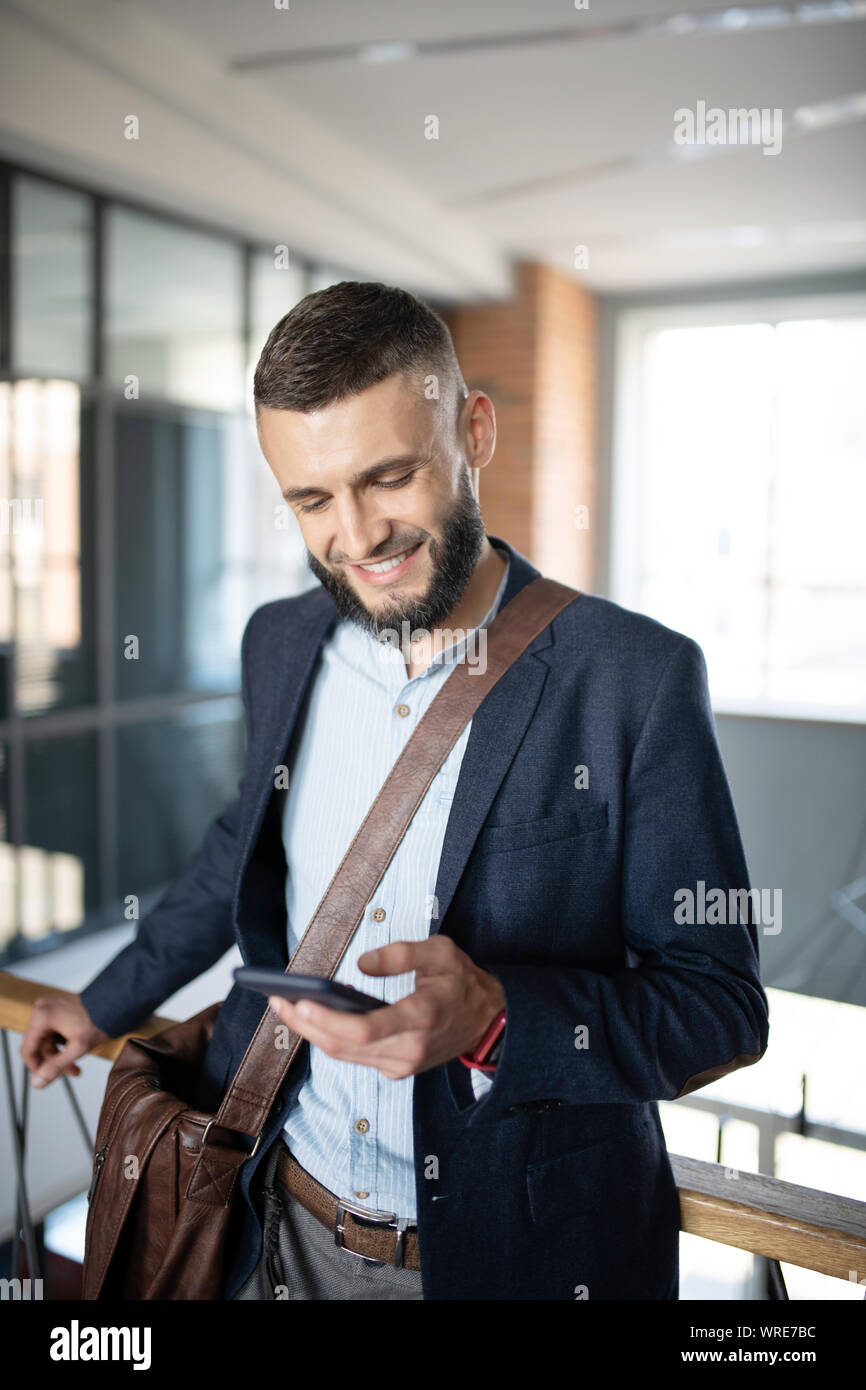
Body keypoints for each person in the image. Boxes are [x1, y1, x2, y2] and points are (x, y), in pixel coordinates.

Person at [21, 281, 769, 1301]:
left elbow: (720, 1005)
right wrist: (104, 997)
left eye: (388, 478)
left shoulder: (633, 676)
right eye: (310, 500)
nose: (357, 536)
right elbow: (243, 843)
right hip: (277, 1223)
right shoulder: (278, 642)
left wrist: (497, 1018)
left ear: (473, 432)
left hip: (514, 1262)